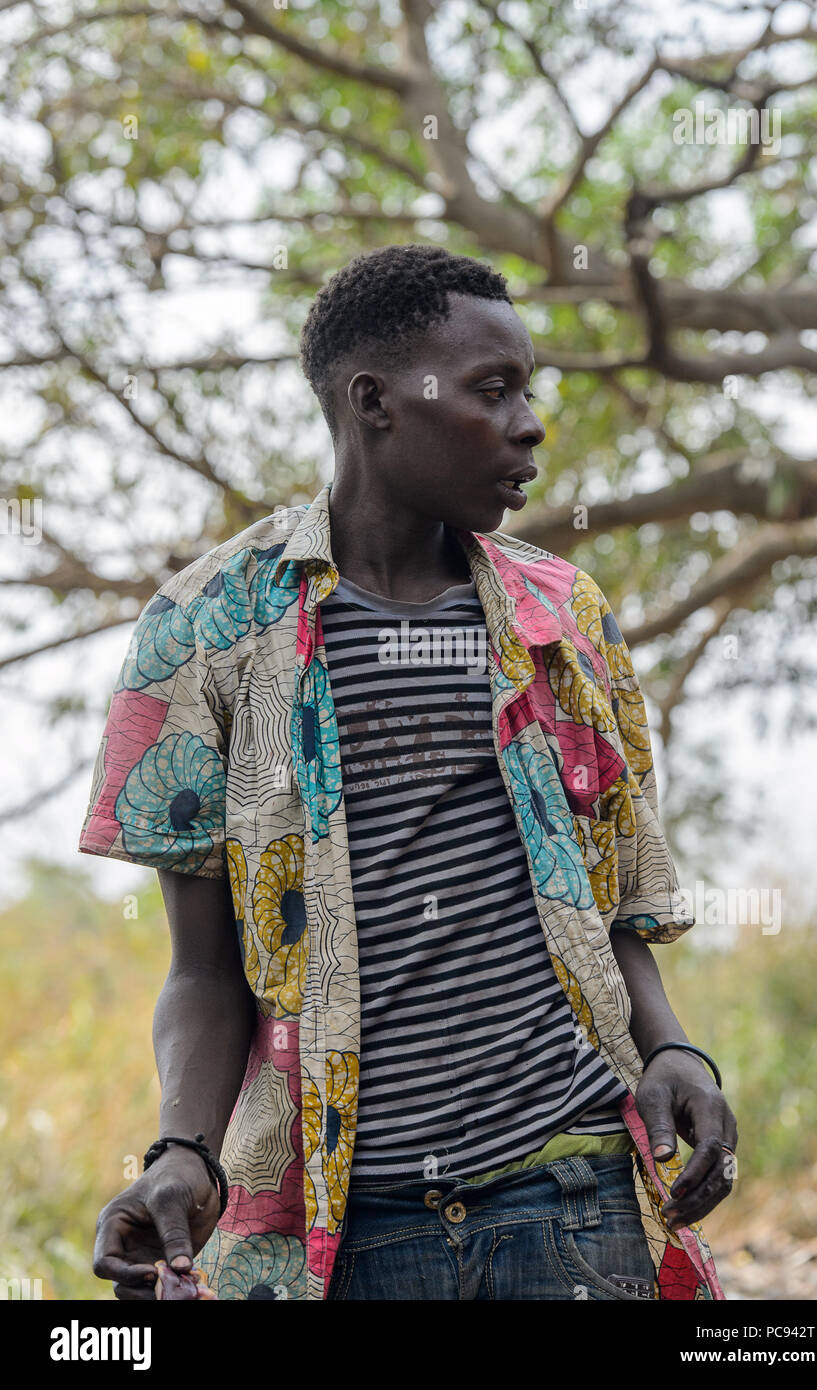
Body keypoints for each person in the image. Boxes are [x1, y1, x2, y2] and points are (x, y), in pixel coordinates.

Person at [82, 242, 736, 1302]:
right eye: (494, 390)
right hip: (352, 1232)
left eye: (528, 389)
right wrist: (180, 1155)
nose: (529, 424)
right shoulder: (205, 630)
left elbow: (611, 904)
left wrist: (675, 1054)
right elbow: (206, 973)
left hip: (573, 1200)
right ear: (375, 401)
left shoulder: (560, 617)